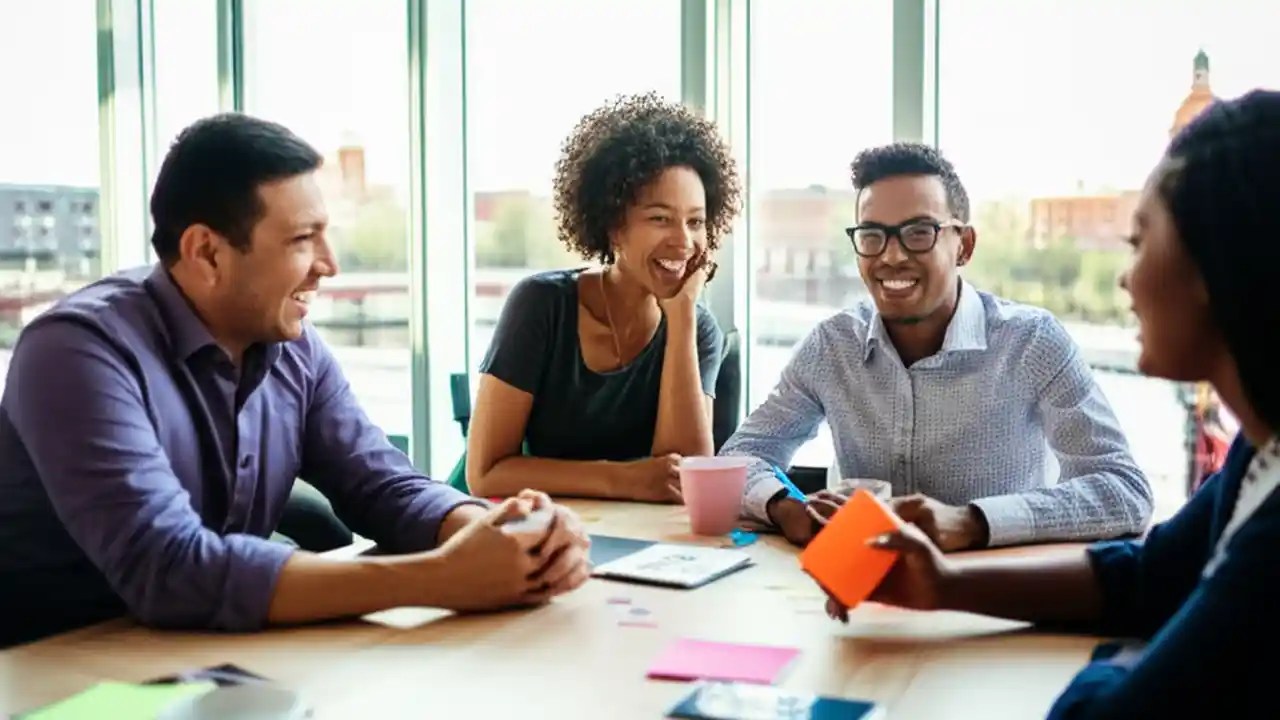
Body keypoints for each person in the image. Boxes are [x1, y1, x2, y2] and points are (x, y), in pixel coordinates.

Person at [0, 114, 590, 648]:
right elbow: (170, 568)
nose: (330, 263)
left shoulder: (293, 347)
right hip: (58, 665)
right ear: (206, 253)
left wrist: (503, 536)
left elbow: (382, 485)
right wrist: (443, 578)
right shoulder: (75, 352)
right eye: (303, 238)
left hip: (214, 652)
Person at [826, 89, 1280, 718]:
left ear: (1212, 264)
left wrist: (1110, 664)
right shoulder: (1257, 455)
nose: (1125, 277)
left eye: (1140, 241)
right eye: (874, 235)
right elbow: (1151, 574)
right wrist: (945, 584)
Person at [721, 142, 1152, 549]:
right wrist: (783, 507)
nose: (891, 256)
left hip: (992, 601)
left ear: (963, 246)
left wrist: (972, 521)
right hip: (858, 596)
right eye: (873, 235)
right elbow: (739, 457)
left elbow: (1123, 489)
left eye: (918, 232)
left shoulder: (1031, 343)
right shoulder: (833, 346)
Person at [467, 92, 742, 502]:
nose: (684, 242)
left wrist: (682, 318)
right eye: (660, 218)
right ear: (614, 226)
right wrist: (624, 479)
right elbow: (486, 474)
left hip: (642, 543)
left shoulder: (697, 329)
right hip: (528, 531)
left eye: (696, 221)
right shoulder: (541, 305)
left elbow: (682, 476)